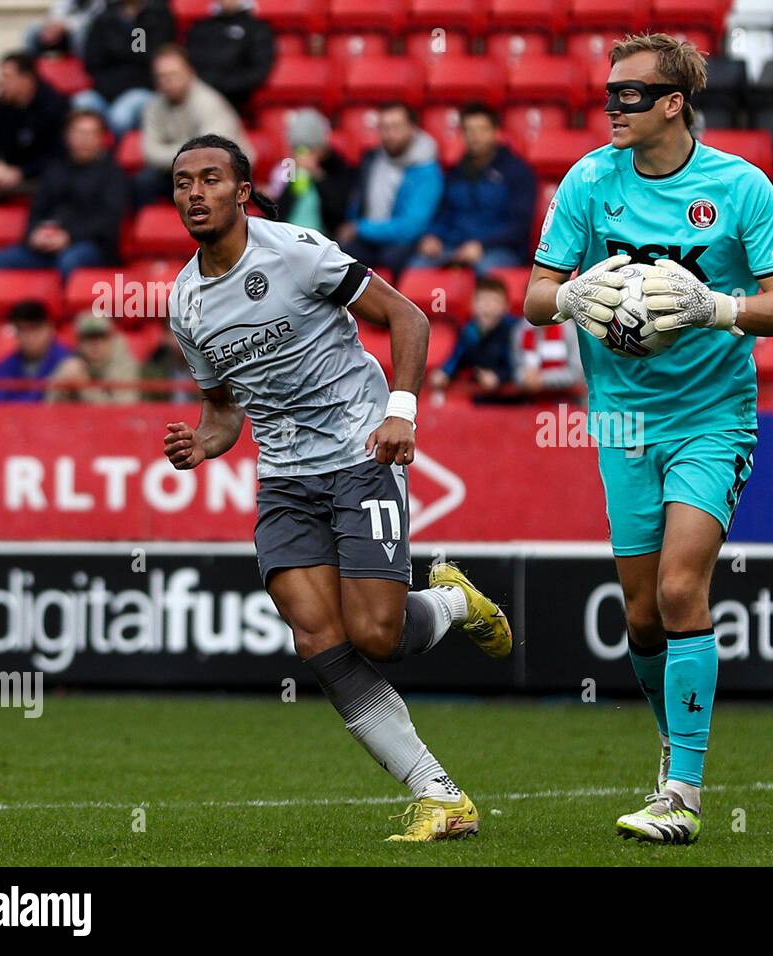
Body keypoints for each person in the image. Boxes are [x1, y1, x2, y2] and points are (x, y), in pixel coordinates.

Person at [161, 133, 511, 841]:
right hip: (285, 475)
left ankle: (452, 599)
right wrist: (203, 442)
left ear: (242, 189)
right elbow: (225, 407)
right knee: (316, 634)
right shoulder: (185, 302)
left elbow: (407, 317)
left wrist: (400, 413)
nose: (195, 193)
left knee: (377, 634)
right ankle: (439, 796)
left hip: (360, 449)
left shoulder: (294, 250)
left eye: (209, 179)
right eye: (181, 183)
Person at [523, 32, 773, 844]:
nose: (613, 106)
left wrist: (713, 307)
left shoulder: (740, 187)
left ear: (674, 103)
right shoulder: (588, 181)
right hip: (621, 421)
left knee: (683, 592)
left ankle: (682, 792)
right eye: (609, 93)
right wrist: (574, 297)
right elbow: (534, 296)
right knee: (643, 618)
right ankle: (671, 746)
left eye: (631, 95)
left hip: (712, 416)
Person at [0, 109, 127, 279]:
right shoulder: (54, 169)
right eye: (78, 133)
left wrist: (69, 237)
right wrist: (35, 235)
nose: (84, 139)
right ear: (67, 136)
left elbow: (108, 220)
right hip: (48, 244)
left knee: (69, 260)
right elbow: (37, 210)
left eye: (90, 133)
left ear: (102, 138)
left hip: (90, 245)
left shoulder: (114, 174)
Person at [408, 103, 536, 277]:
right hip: (454, 246)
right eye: (469, 130)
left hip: (500, 250)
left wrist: (482, 244)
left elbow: (519, 226)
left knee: (486, 272)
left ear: (496, 132)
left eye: (481, 129)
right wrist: (433, 236)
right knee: (416, 268)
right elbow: (444, 214)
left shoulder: (517, 172)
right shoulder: (455, 173)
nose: (475, 136)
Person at [133, 44, 253, 207]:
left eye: (173, 74)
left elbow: (208, 156)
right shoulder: (154, 106)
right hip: (177, 171)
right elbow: (150, 153)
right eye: (161, 76)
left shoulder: (208, 102)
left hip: (224, 171)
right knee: (144, 180)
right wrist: (185, 154)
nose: (168, 81)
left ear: (190, 71)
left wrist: (175, 154)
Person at [338, 103, 443, 277]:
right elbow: (357, 202)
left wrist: (360, 228)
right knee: (339, 258)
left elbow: (411, 227)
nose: (389, 135)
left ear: (412, 128)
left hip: (403, 242)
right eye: (384, 128)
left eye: (396, 127)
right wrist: (354, 225)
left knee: (392, 260)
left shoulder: (426, 170)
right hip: (367, 237)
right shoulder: (372, 159)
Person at [0, 52, 70, 223]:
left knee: (59, 179)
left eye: (7, 77)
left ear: (27, 79)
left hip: (40, 176)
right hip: (7, 174)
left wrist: (21, 172)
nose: (1, 82)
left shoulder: (56, 105)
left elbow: (58, 156)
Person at [75, 0, 175, 134]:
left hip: (141, 89)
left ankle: (117, 154)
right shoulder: (104, 18)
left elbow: (151, 57)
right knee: (80, 103)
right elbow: (91, 61)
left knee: (120, 117)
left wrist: (125, 42)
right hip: (104, 92)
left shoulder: (157, 15)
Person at [265, 108, 353, 238]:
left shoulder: (338, 167)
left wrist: (317, 175)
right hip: (291, 237)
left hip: (325, 239)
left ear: (322, 147)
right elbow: (280, 214)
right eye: (298, 150)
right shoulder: (289, 168)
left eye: (311, 149)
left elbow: (339, 212)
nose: (304, 155)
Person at [428, 277, 519, 392]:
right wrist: (444, 373)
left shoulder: (514, 330)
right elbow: (456, 358)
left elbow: (517, 364)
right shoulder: (468, 331)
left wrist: (499, 377)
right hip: (480, 392)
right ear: (472, 305)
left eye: (495, 301)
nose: (488, 307)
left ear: (506, 306)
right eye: (483, 301)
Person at [185, 0, 276, 114]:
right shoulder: (200, 28)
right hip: (198, 97)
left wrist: (220, 85)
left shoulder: (257, 29)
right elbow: (189, 62)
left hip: (237, 101)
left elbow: (258, 72)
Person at [0, 301, 74, 402]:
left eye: (35, 328)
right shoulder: (6, 365)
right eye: (22, 330)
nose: (29, 336)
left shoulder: (67, 361)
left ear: (50, 329)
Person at [47, 311, 140, 403]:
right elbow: (49, 405)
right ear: (79, 342)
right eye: (89, 338)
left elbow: (123, 411)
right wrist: (63, 392)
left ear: (111, 338)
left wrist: (85, 387)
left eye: (101, 337)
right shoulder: (73, 363)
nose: (96, 344)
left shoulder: (123, 364)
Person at [514, 321, 584, 393]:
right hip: (528, 400)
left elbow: (575, 372)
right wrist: (523, 377)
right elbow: (515, 366)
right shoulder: (521, 328)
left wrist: (543, 379)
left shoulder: (568, 329)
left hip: (562, 399)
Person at [25, 0, 106, 57]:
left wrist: (64, 27)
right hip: (59, 31)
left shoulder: (100, 3)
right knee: (33, 30)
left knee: (80, 33)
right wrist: (52, 27)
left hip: (83, 35)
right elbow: (55, 13)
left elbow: (90, 21)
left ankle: (82, 66)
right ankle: (31, 66)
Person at [140, 322, 196, 400]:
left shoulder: (203, 367)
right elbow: (149, 402)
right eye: (174, 335)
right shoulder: (153, 369)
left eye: (183, 334)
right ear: (165, 337)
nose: (178, 341)